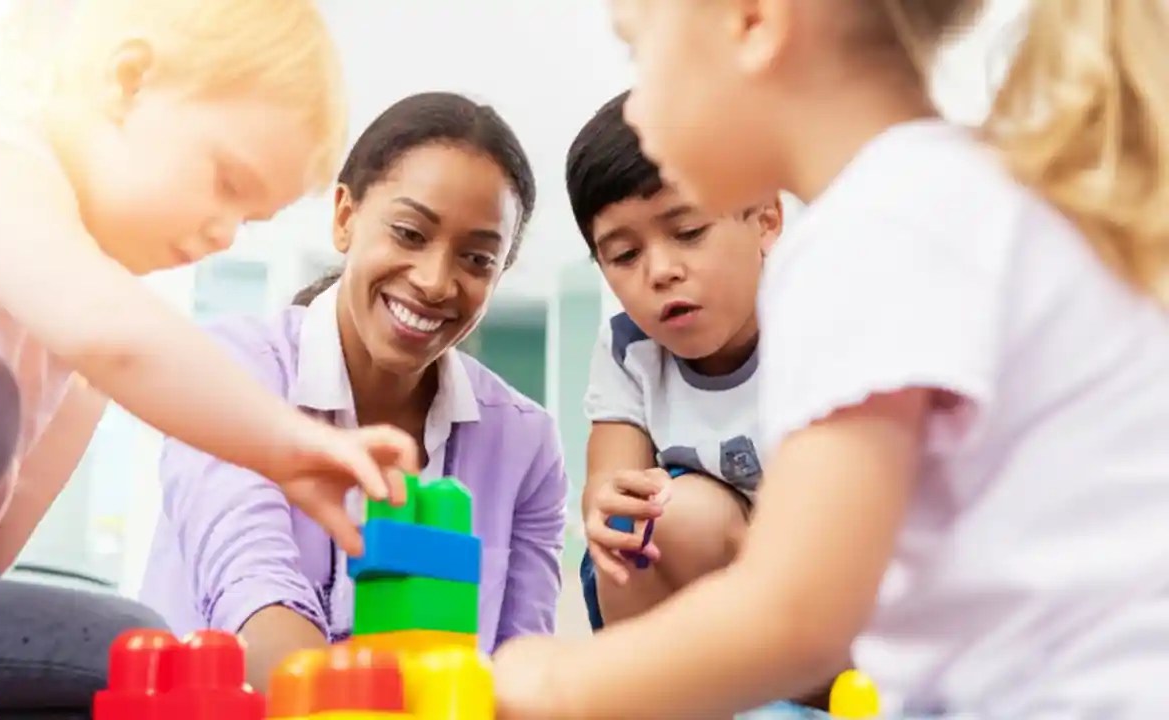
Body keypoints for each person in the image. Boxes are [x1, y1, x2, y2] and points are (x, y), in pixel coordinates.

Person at [493, 0, 1169, 717]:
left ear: (754, 22)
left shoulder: (871, 232)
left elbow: (797, 616)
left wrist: (556, 685)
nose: (640, 107)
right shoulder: (973, 196)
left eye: (639, 52)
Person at [0, 0, 416, 709]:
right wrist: (282, 443)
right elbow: (105, 327)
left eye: (250, 219)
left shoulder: (65, 356)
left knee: (141, 654)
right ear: (129, 81)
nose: (227, 234)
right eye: (227, 183)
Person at [141, 92, 568, 689]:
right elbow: (255, 598)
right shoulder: (232, 371)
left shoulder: (524, 442)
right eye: (409, 233)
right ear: (345, 216)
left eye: (475, 259)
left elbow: (523, 663)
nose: (435, 281)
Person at [567, 91, 779, 626]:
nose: (660, 270)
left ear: (766, 219)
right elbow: (610, 484)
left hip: (821, 582)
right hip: (697, 599)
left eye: (688, 232)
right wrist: (605, 499)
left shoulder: (814, 322)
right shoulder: (629, 350)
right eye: (624, 255)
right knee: (645, 519)